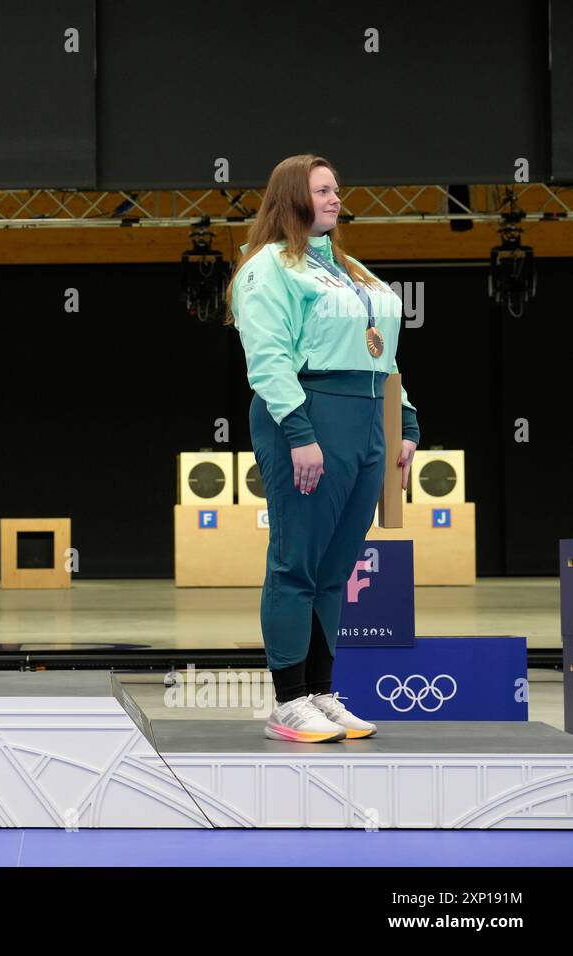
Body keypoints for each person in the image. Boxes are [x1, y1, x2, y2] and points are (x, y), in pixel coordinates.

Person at [228, 154, 420, 742]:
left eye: (337, 189)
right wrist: (301, 433)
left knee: (336, 569)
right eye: (322, 191)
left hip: (367, 420)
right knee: (297, 563)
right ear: (291, 199)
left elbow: (380, 352)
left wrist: (405, 421)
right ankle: (288, 702)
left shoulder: (350, 268)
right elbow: (267, 357)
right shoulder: (268, 269)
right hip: (309, 415)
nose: (336, 199)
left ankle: (321, 693)